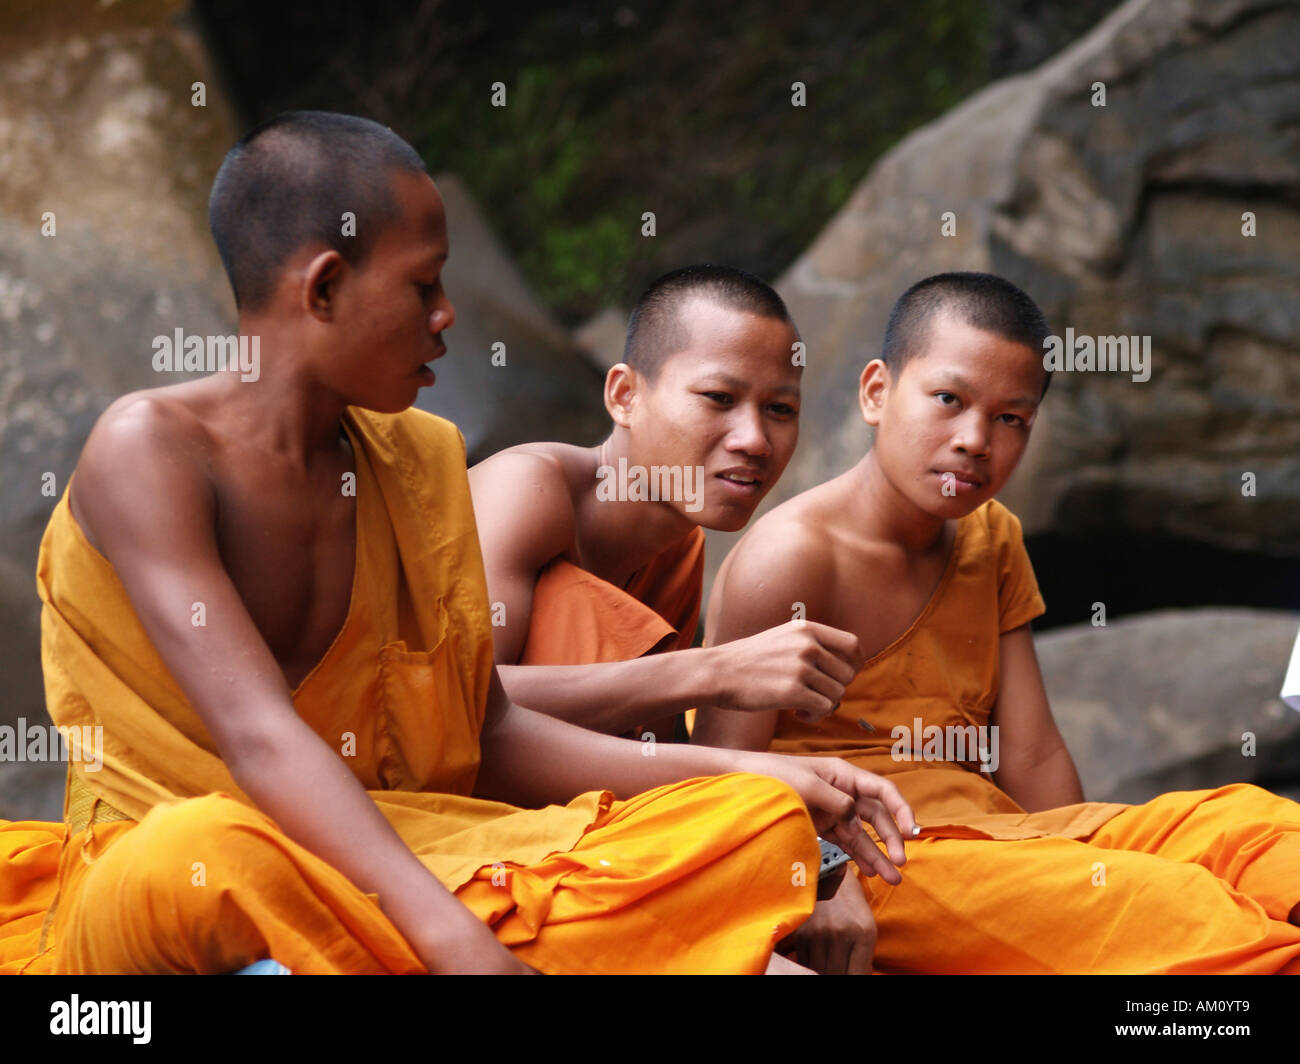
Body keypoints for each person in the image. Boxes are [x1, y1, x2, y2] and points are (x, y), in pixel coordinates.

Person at [0, 112, 917, 976]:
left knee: (748, 826)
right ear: (323, 287)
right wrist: (454, 945)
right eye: (423, 285)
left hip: (402, 841)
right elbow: (259, 739)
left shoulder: (418, 460)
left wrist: (751, 773)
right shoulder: (149, 447)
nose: (446, 314)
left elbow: (490, 728)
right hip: (182, 870)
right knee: (201, 846)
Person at [694, 271, 1300, 974]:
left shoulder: (991, 536)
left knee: (1258, 831)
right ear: (876, 393)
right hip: (884, 861)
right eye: (948, 400)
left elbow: (1032, 753)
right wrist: (818, 880)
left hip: (1002, 839)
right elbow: (721, 787)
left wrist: (1087, 860)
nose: (975, 440)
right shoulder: (791, 558)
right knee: (1180, 917)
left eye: (1011, 418)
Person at [470, 265, 884, 972]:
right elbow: (461, 709)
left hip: (595, 843)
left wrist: (813, 862)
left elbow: (659, 761)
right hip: (465, 845)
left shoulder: (679, 545)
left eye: (780, 410)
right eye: (718, 399)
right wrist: (710, 672)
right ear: (625, 395)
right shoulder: (527, 491)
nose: (753, 438)